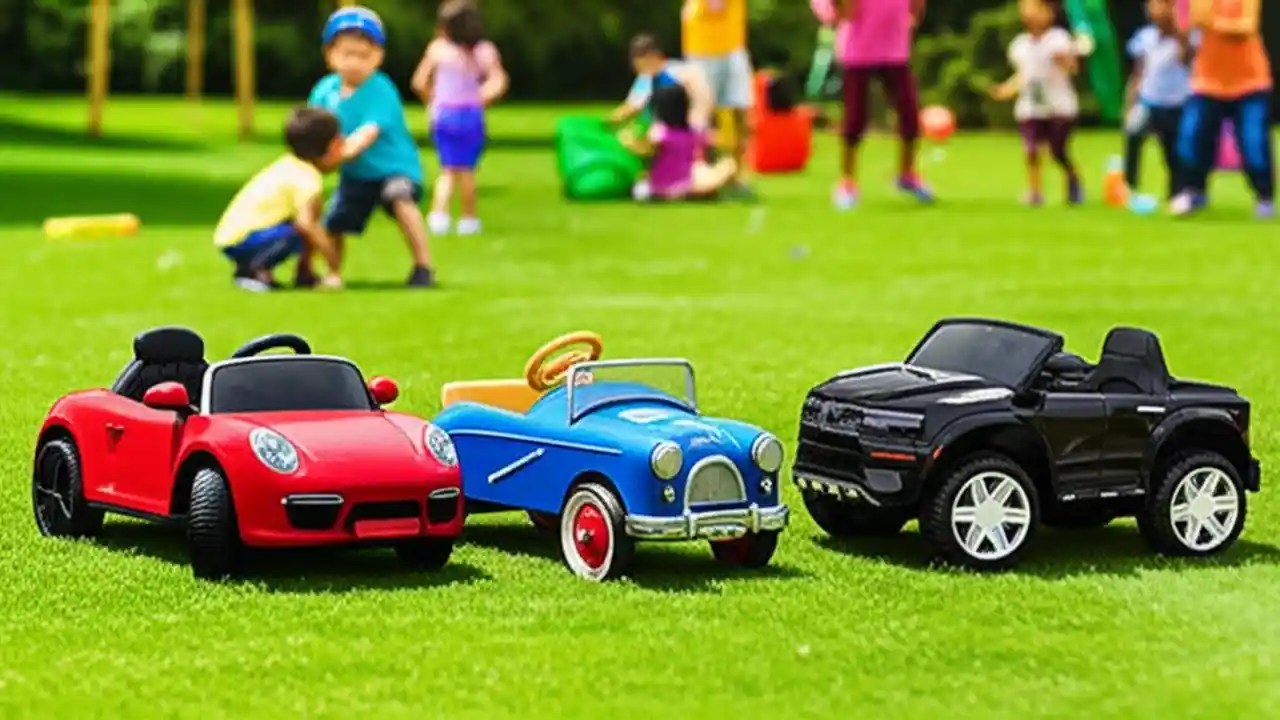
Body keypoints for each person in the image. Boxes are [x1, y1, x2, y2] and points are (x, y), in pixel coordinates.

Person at [308, 6, 436, 288]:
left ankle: (423, 265)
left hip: (394, 168)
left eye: (364, 55)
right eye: (347, 54)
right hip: (356, 173)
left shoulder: (381, 90)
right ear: (330, 54)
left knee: (399, 198)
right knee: (335, 221)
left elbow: (367, 133)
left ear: (379, 57)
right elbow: (315, 130)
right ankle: (333, 271)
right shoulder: (324, 91)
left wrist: (335, 157)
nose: (355, 62)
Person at [811, 0, 933, 210]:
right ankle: (847, 183)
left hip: (895, 50)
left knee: (909, 114)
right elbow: (839, 14)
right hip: (858, 51)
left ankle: (907, 175)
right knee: (855, 119)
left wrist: (913, 16)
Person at [213, 108, 344, 293]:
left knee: (303, 226)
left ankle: (302, 275)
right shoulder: (307, 178)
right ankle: (253, 272)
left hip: (232, 237)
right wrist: (333, 263)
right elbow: (307, 224)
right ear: (331, 147)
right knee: (300, 230)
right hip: (243, 240)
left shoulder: (290, 165)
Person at [411, 0, 509, 237]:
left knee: (448, 169)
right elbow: (498, 80)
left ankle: (439, 216)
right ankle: (468, 219)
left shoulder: (438, 50)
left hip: (443, 114)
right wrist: (482, 97)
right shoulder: (483, 51)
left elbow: (419, 82)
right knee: (467, 170)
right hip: (471, 114)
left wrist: (432, 101)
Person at [1172, 0, 1273, 218]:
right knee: (1192, 138)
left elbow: (1247, 26)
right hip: (1206, 81)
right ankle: (1193, 192)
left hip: (1249, 81)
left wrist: (1210, 22)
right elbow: (1187, 27)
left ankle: (1264, 197)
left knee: (1253, 142)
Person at [990, 0, 1083, 206]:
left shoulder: (1059, 39)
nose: (1030, 13)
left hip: (1059, 106)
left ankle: (1072, 176)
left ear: (1049, 13)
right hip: (1031, 106)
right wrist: (1006, 89)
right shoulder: (1020, 45)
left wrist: (1064, 59)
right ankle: (1035, 192)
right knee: (1031, 150)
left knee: (1057, 151)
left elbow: (1072, 69)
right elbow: (1023, 75)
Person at [680, 0, 754, 196]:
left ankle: (736, 175)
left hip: (733, 45)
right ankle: (700, 173)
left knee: (739, 110)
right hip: (700, 46)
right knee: (702, 112)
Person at [1124, 0, 1193, 203]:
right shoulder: (1144, 38)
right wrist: (1130, 103)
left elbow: (1187, 61)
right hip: (1149, 101)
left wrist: (1181, 36)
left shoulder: (1185, 38)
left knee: (1172, 151)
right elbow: (1138, 73)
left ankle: (1177, 192)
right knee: (1133, 136)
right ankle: (1129, 186)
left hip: (1176, 104)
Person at [624, 84, 737, 201]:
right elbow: (719, 142)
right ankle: (716, 191)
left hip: (660, 186)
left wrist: (630, 141)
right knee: (728, 164)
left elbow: (644, 151)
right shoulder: (694, 133)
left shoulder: (659, 132)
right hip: (686, 184)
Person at [610, 35, 714, 134]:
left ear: (653, 56)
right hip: (660, 130)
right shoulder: (646, 77)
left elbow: (703, 103)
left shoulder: (683, 73)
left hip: (686, 129)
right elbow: (632, 106)